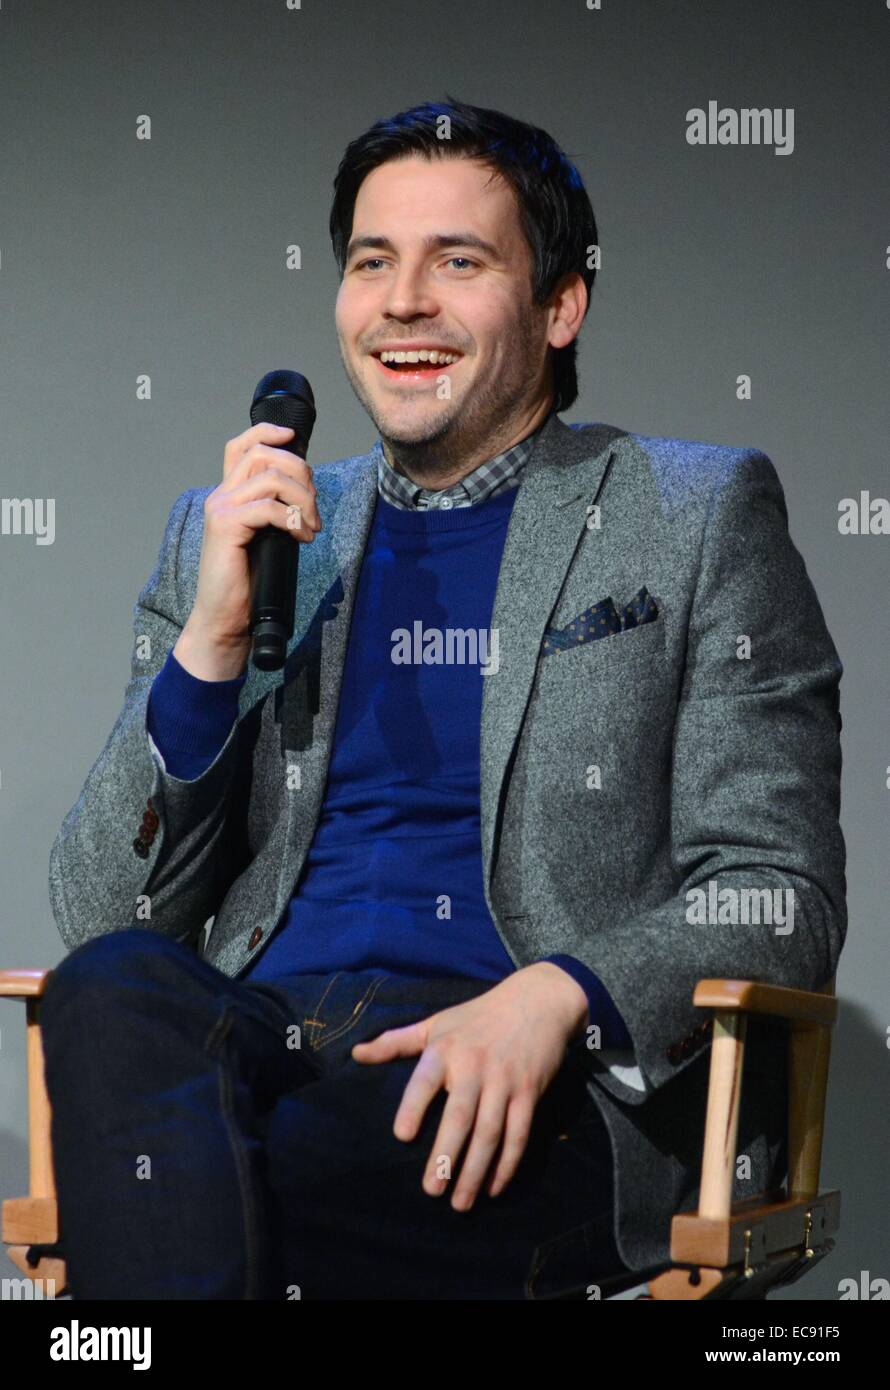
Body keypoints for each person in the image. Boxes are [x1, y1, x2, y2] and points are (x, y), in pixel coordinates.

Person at [42, 98, 846, 1300]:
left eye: (455, 261)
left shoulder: (692, 515)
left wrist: (560, 996)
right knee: (106, 988)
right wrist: (208, 644)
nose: (402, 301)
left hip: (516, 1077)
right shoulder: (247, 539)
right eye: (372, 262)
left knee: (181, 1197)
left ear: (558, 304)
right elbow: (103, 909)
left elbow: (779, 894)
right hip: (263, 1045)